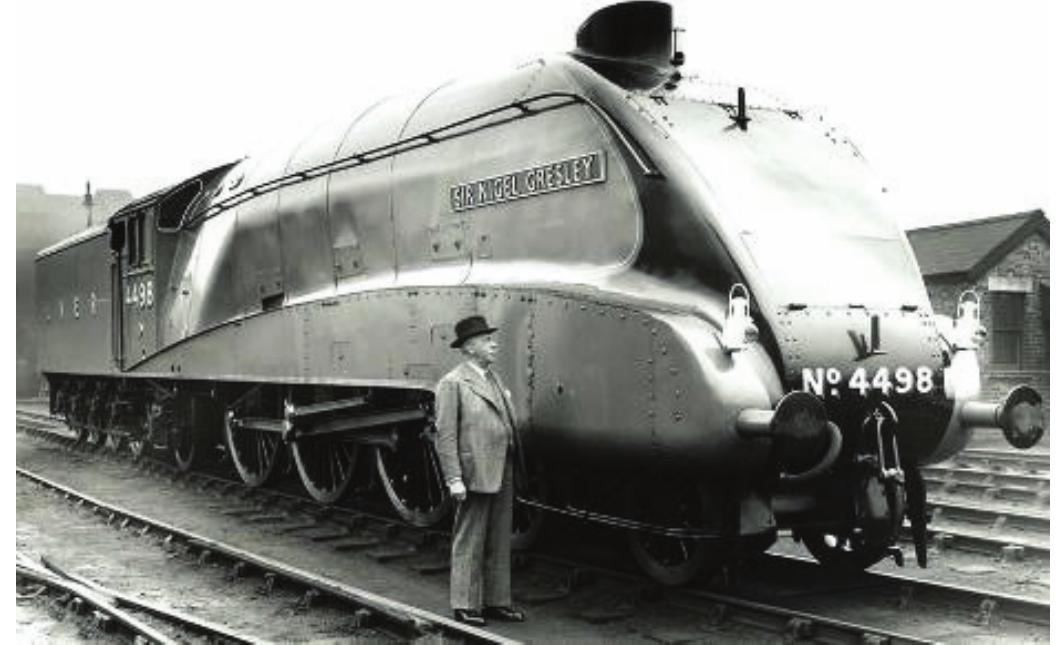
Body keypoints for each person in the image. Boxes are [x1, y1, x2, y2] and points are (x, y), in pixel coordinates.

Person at [433, 315, 526, 626]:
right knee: (470, 538)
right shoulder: (453, 383)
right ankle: (465, 604)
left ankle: (497, 601)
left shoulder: (493, 379)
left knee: (499, 537)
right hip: (473, 472)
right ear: (470, 347)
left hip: (501, 467)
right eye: (487, 340)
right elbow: (444, 435)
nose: (494, 344)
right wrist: (454, 478)